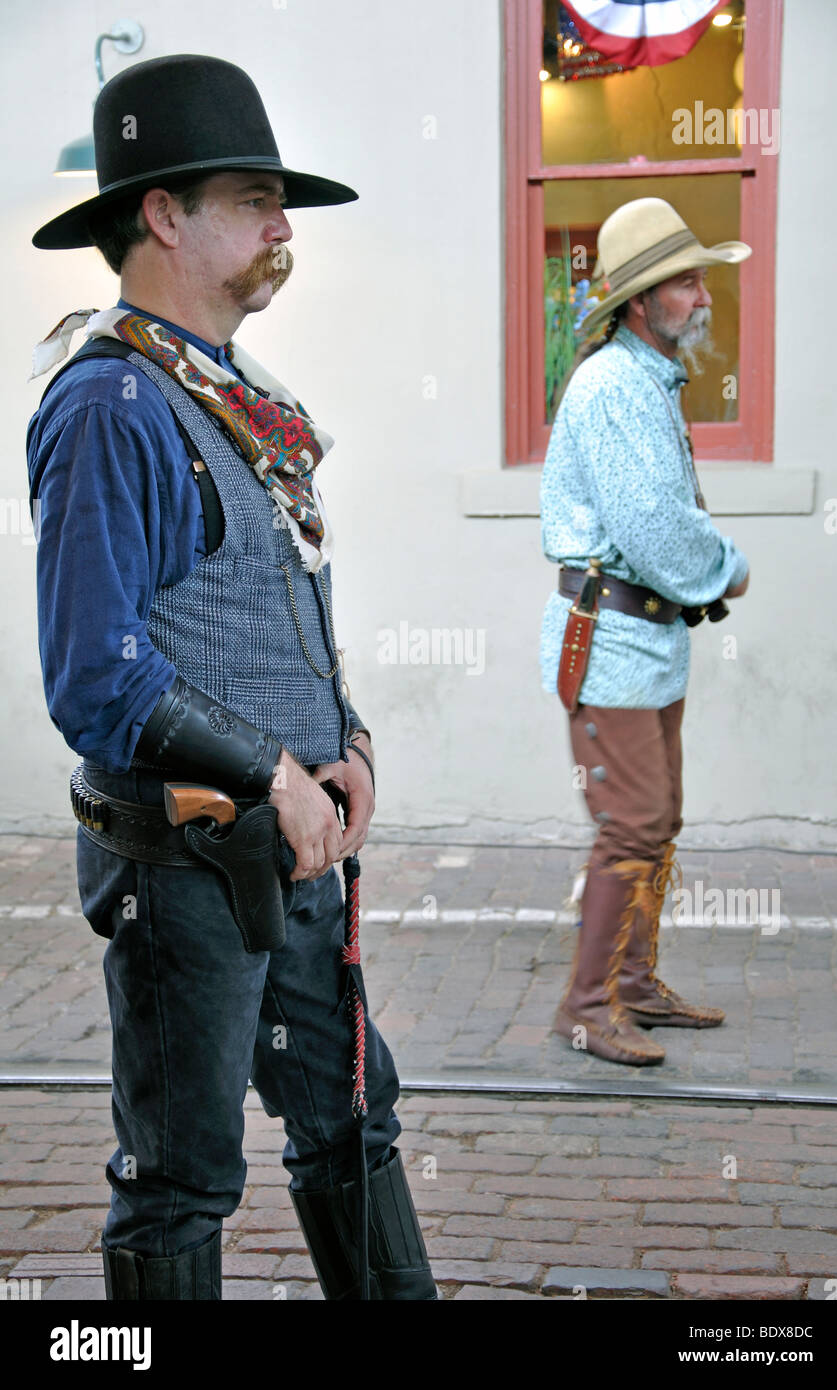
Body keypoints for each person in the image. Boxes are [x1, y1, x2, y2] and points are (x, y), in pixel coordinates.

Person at [26, 53, 436, 1300]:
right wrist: (271, 769)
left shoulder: (242, 399)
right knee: (182, 1176)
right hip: (188, 867)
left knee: (354, 1122)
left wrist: (347, 740)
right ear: (162, 213)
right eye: (254, 197)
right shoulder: (110, 404)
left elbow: (283, 608)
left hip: (294, 848)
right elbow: (94, 678)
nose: (281, 225)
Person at [540, 197, 751, 1067]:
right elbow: (655, 530)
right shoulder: (614, 386)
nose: (702, 297)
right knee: (632, 821)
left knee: (654, 818)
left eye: (699, 280)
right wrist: (728, 565)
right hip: (614, 643)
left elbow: (658, 524)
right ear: (639, 302)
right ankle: (586, 1006)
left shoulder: (643, 378)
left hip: (641, 640)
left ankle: (628, 987)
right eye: (685, 283)